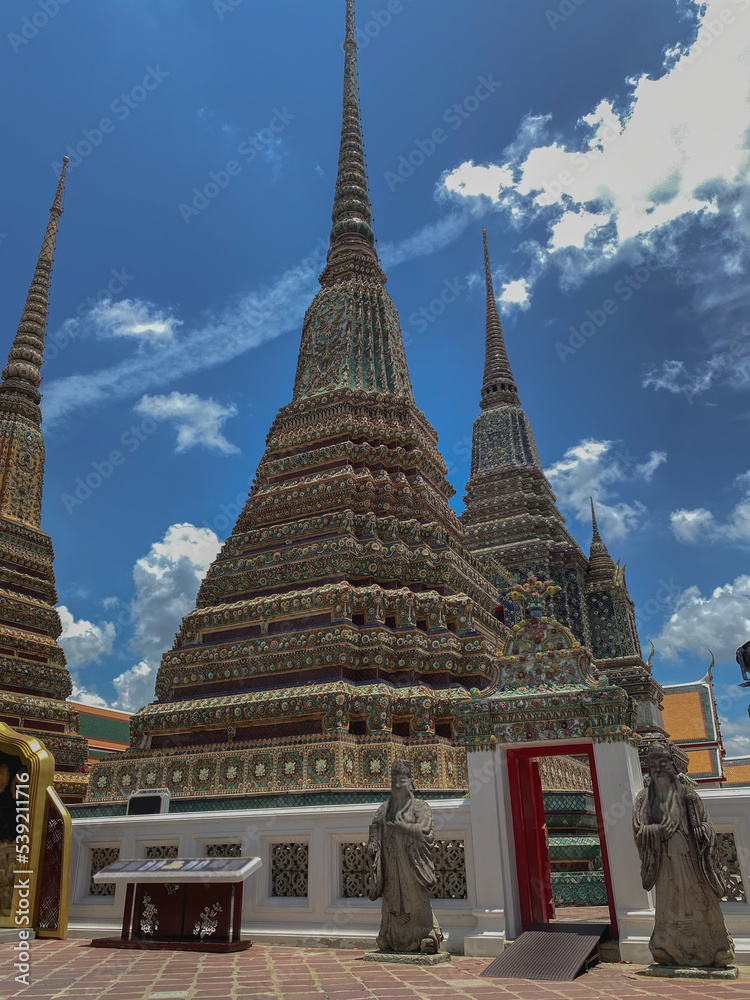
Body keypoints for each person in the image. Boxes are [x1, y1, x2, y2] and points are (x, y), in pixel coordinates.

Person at [633, 744, 735, 967]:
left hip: (693, 862)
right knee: (670, 903)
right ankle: (667, 947)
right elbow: (640, 831)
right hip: (665, 863)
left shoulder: (689, 796)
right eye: (654, 764)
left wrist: (703, 832)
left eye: (664, 763)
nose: (659, 769)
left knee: (700, 899)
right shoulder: (643, 799)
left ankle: (717, 948)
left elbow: (707, 824)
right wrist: (659, 831)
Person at [367, 759, 443, 954]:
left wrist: (405, 828)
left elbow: (426, 829)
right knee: (392, 899)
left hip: (412, 863)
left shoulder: (420, 807)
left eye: (402, 779)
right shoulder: (385, 808)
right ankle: (388, 935)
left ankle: (427, 935)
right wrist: (373, 842)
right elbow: (375, 824)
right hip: (390, 862)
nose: (398, 784)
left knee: (415, 899)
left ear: (410, 781)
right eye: (394, 780)